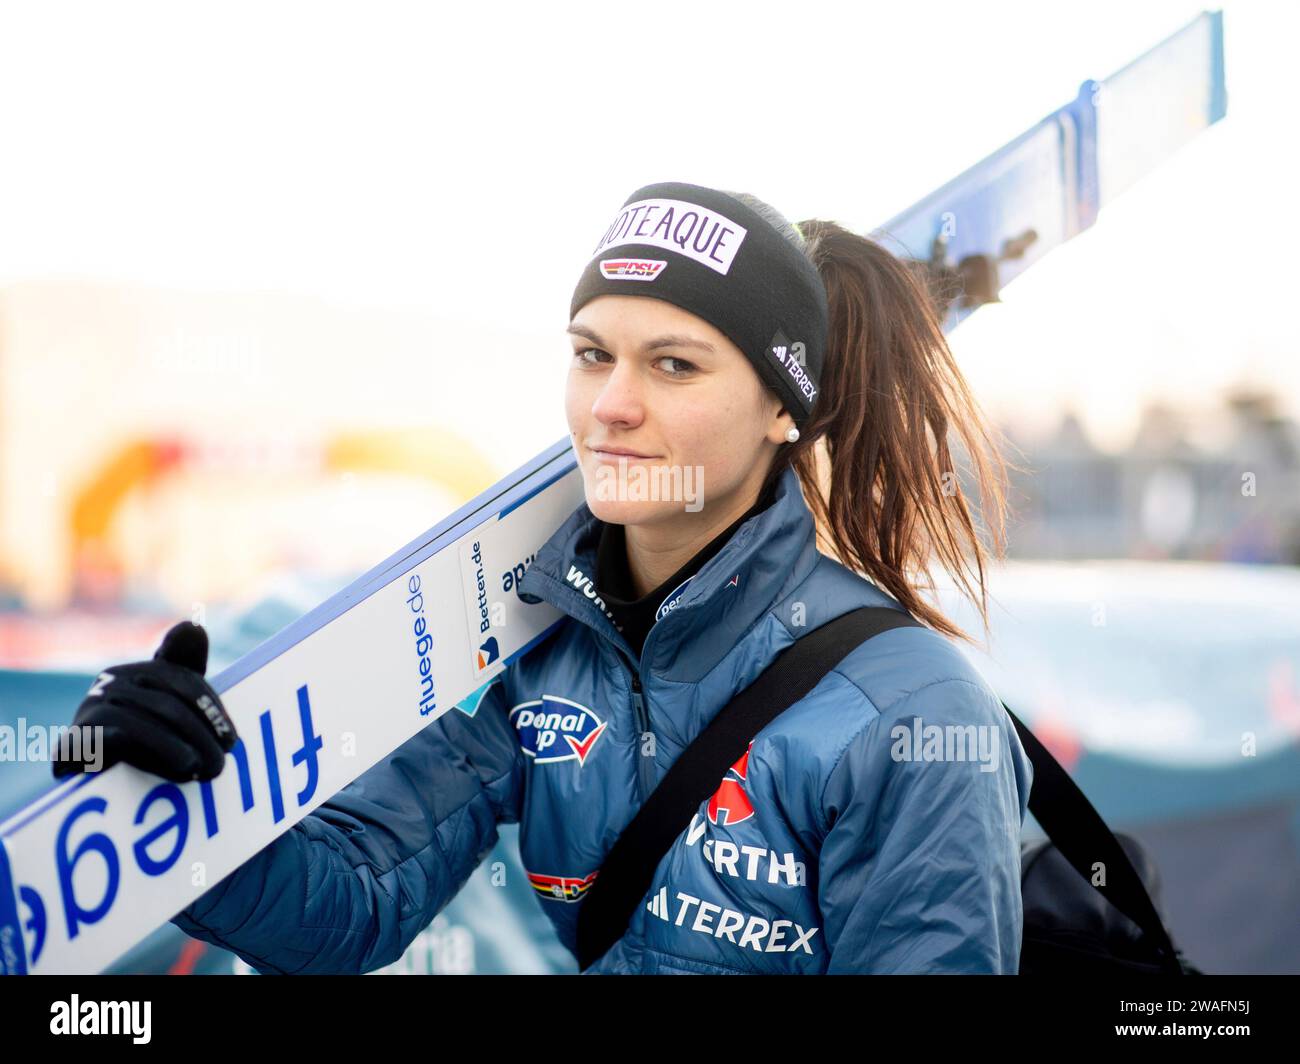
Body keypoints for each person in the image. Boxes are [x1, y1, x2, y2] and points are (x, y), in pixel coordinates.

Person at [57, 180, 1033, 974]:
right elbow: (347, 905)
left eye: (674, 365)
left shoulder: (911, 715)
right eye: (591, 354)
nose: (610, 404)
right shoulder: (535, 653)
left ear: (783, 409)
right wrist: (174, 807)